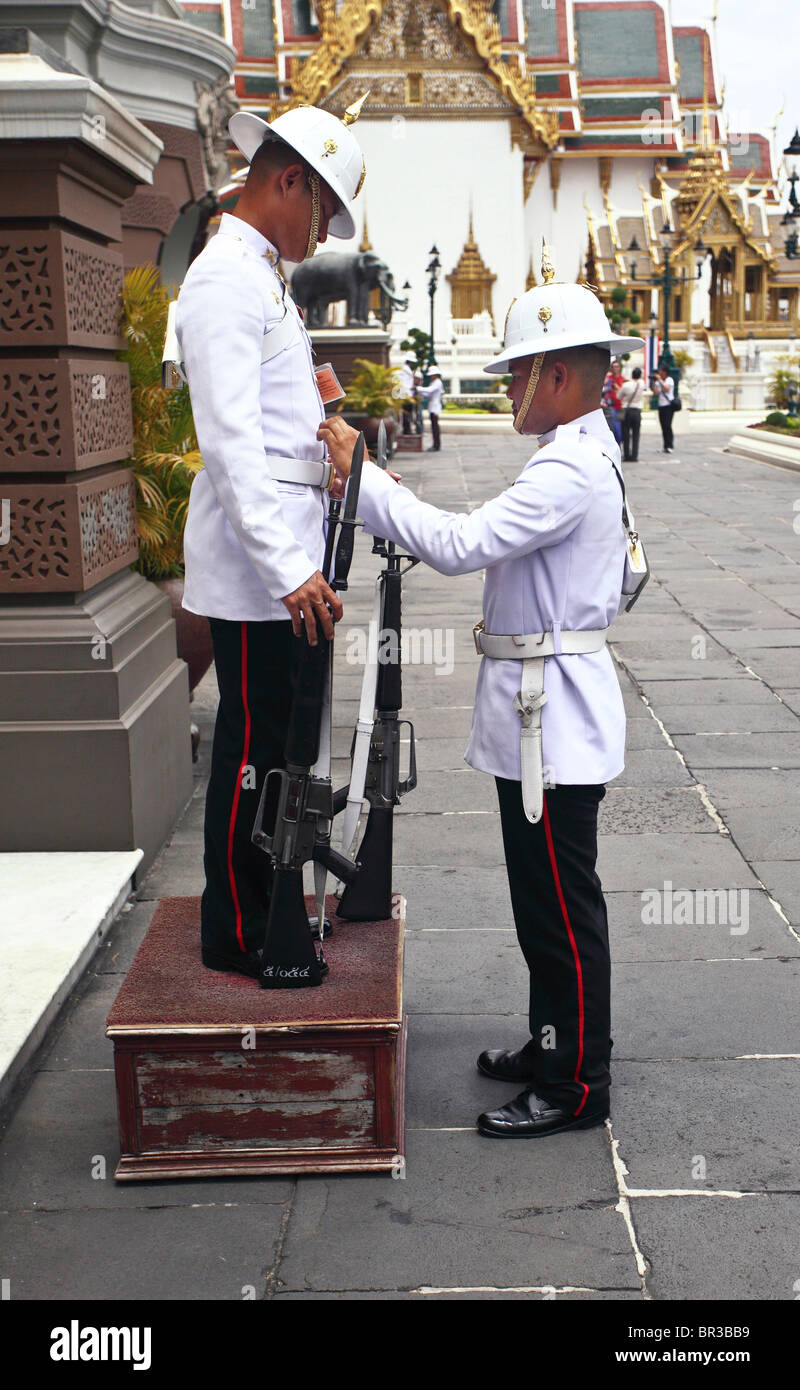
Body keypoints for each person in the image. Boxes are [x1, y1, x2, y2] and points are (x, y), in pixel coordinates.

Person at [319, 252, 645, 1139]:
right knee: (543, 899)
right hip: (542, 705)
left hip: (553, 717)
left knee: (560, 907)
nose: (508, 388)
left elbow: (461, 545)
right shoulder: (575, 453)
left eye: (518, 373)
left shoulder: (568, 469)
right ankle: (553, 1042)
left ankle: (578, 1081)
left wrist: (363, 478)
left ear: (560, 373)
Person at [174, 98, 367, 978]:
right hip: (262, 570)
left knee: (277, 744)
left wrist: (328, 442)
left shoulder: (259, 278)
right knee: (253, 748)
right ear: (287, 180)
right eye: (322, 209)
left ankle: (262, 907)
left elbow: (283, 414)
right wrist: (290, 571)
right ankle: (245, 928)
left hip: (283, 560)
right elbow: (229, 445)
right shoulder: (224, 281)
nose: (323, 231)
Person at [619, 366, 644, 461]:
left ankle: (626, 454)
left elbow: (619, 396)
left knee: (625, 433)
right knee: (636, 434)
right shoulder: (641, 384)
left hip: (626, 410)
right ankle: (635, 455)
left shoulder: (626, 385)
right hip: (637, 411)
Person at [417, 366, 444, 451]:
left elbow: (430, 390)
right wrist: (420, 393)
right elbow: (428, 394)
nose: (431, 377)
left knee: (435, 427)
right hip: (432, 406)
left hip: (435, 407)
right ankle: (435, 444)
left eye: (432, 375)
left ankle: (436, 445)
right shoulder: (434, 382)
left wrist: (418, 388)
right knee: (434, 427)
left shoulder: (437, 382)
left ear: (435, 375)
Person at [653, 364, 676, 452]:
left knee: (668, 425)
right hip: (661, 406)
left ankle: (670, 445)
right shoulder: (658, 382)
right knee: (663, 426)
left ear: (665, 372)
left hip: (668, 406)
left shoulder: (669, 380)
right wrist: (655, 382)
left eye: (661, 371)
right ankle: (665, 446)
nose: (659, 372)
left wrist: (659, 380)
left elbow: (667, 389)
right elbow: (655, 393)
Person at [601, 362, 623, 444]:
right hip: (604, 407)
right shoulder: (602, 379)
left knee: (616, 430)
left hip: (615, 407)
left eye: (617, 366)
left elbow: (620, 391)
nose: (615, 368)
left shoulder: (613, 380)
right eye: (613, 367)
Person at [399, 354, 416, 434]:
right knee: (407, 414)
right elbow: (406, 384)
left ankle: (407, 429)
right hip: (407, 395)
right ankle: (407, 430)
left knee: (407, 414)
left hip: (406, 394)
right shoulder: (406, 370)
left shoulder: (405, 369)